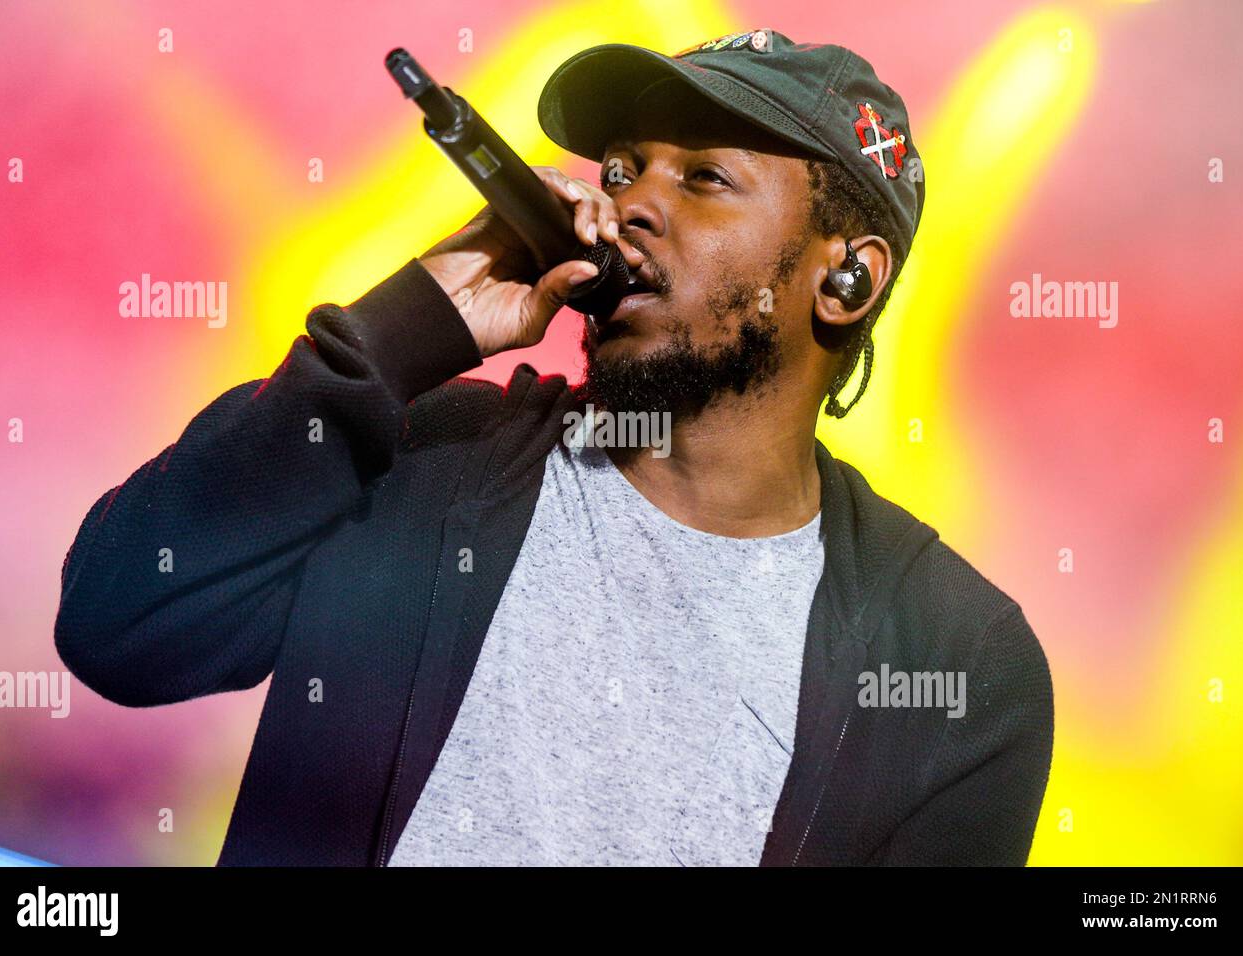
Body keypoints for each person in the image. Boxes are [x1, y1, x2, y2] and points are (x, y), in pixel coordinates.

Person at [54, 30, 1053, 866]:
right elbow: (120, 625)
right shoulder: (422, 463)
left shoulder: (958, 658)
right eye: (620, 169)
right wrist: (394, 336)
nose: (627, 204)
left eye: (703, 176)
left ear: (844, 281)